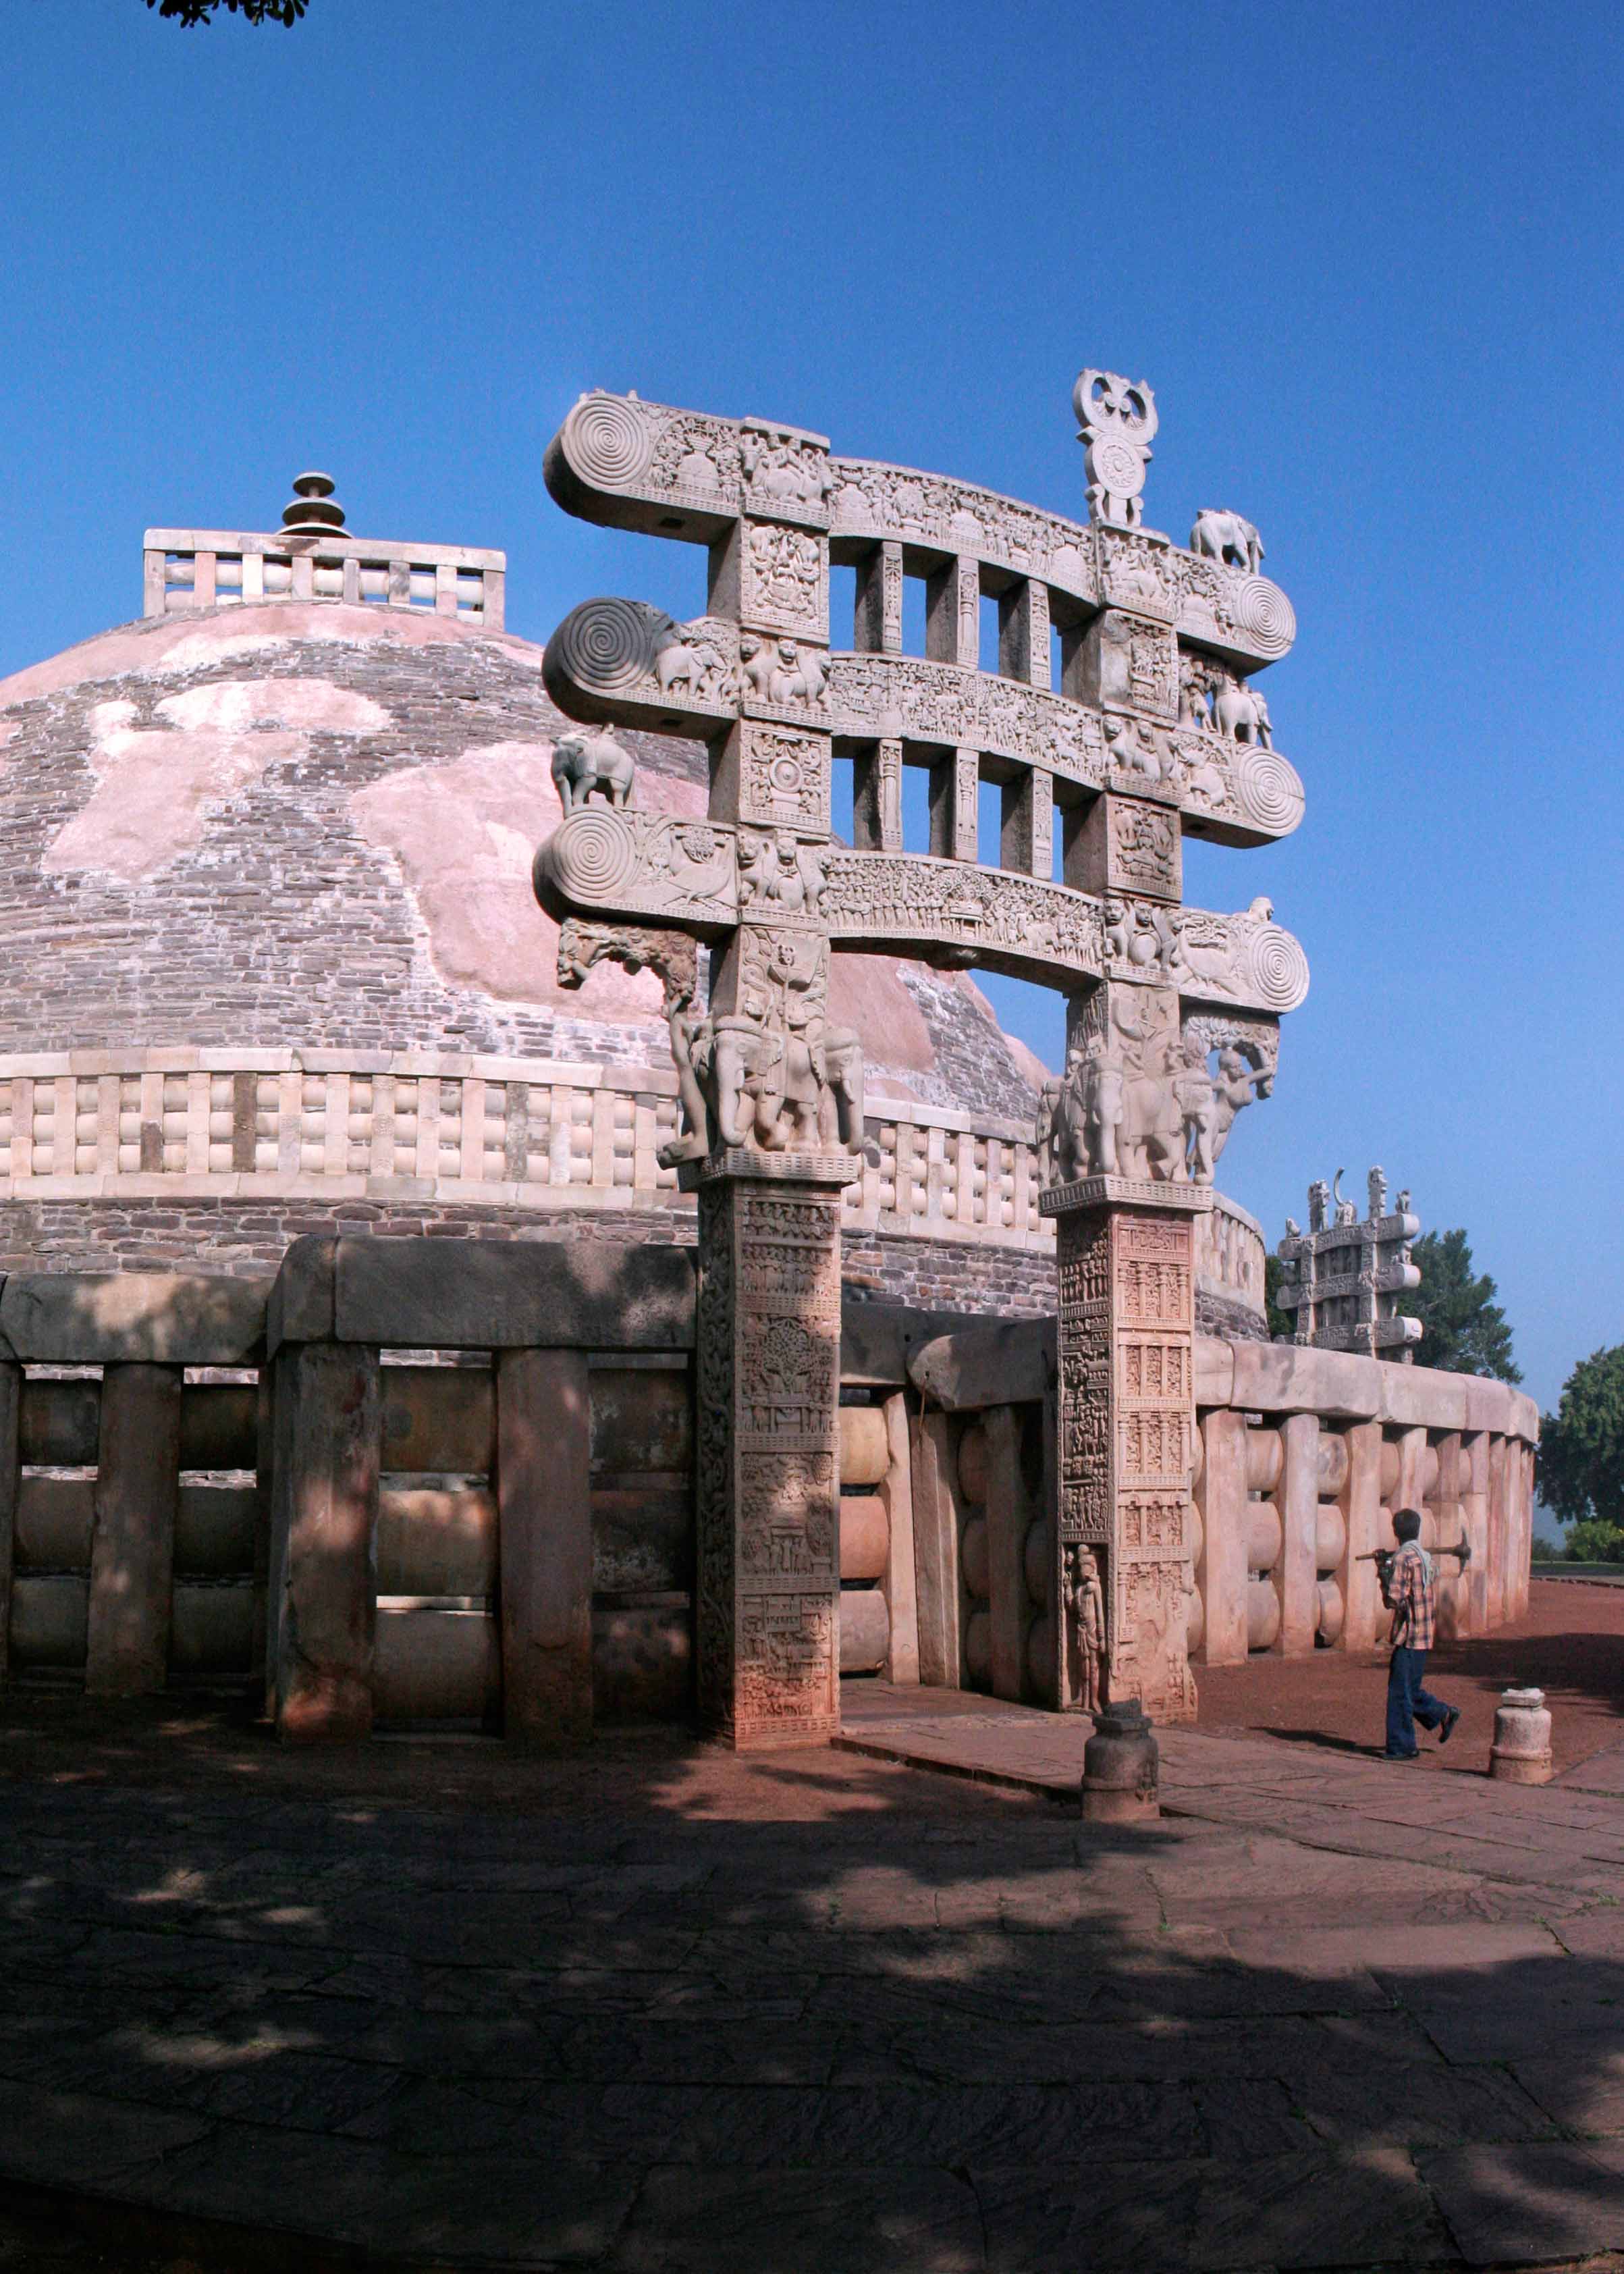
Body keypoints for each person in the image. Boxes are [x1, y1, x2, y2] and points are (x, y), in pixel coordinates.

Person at [1383, 1508, 1461, 1760]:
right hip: (1425, 1634)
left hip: (1408, 1636)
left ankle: (1403, 1747)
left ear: (1396, 1532)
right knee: (1410, 1689)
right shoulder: (1426, 1557)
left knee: (1399, 1693)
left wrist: (1382, 1574)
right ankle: (1442, 1713)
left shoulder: (1402, 1559)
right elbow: (1430, 1578)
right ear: (1417, 1530)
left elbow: (1392, 1600)